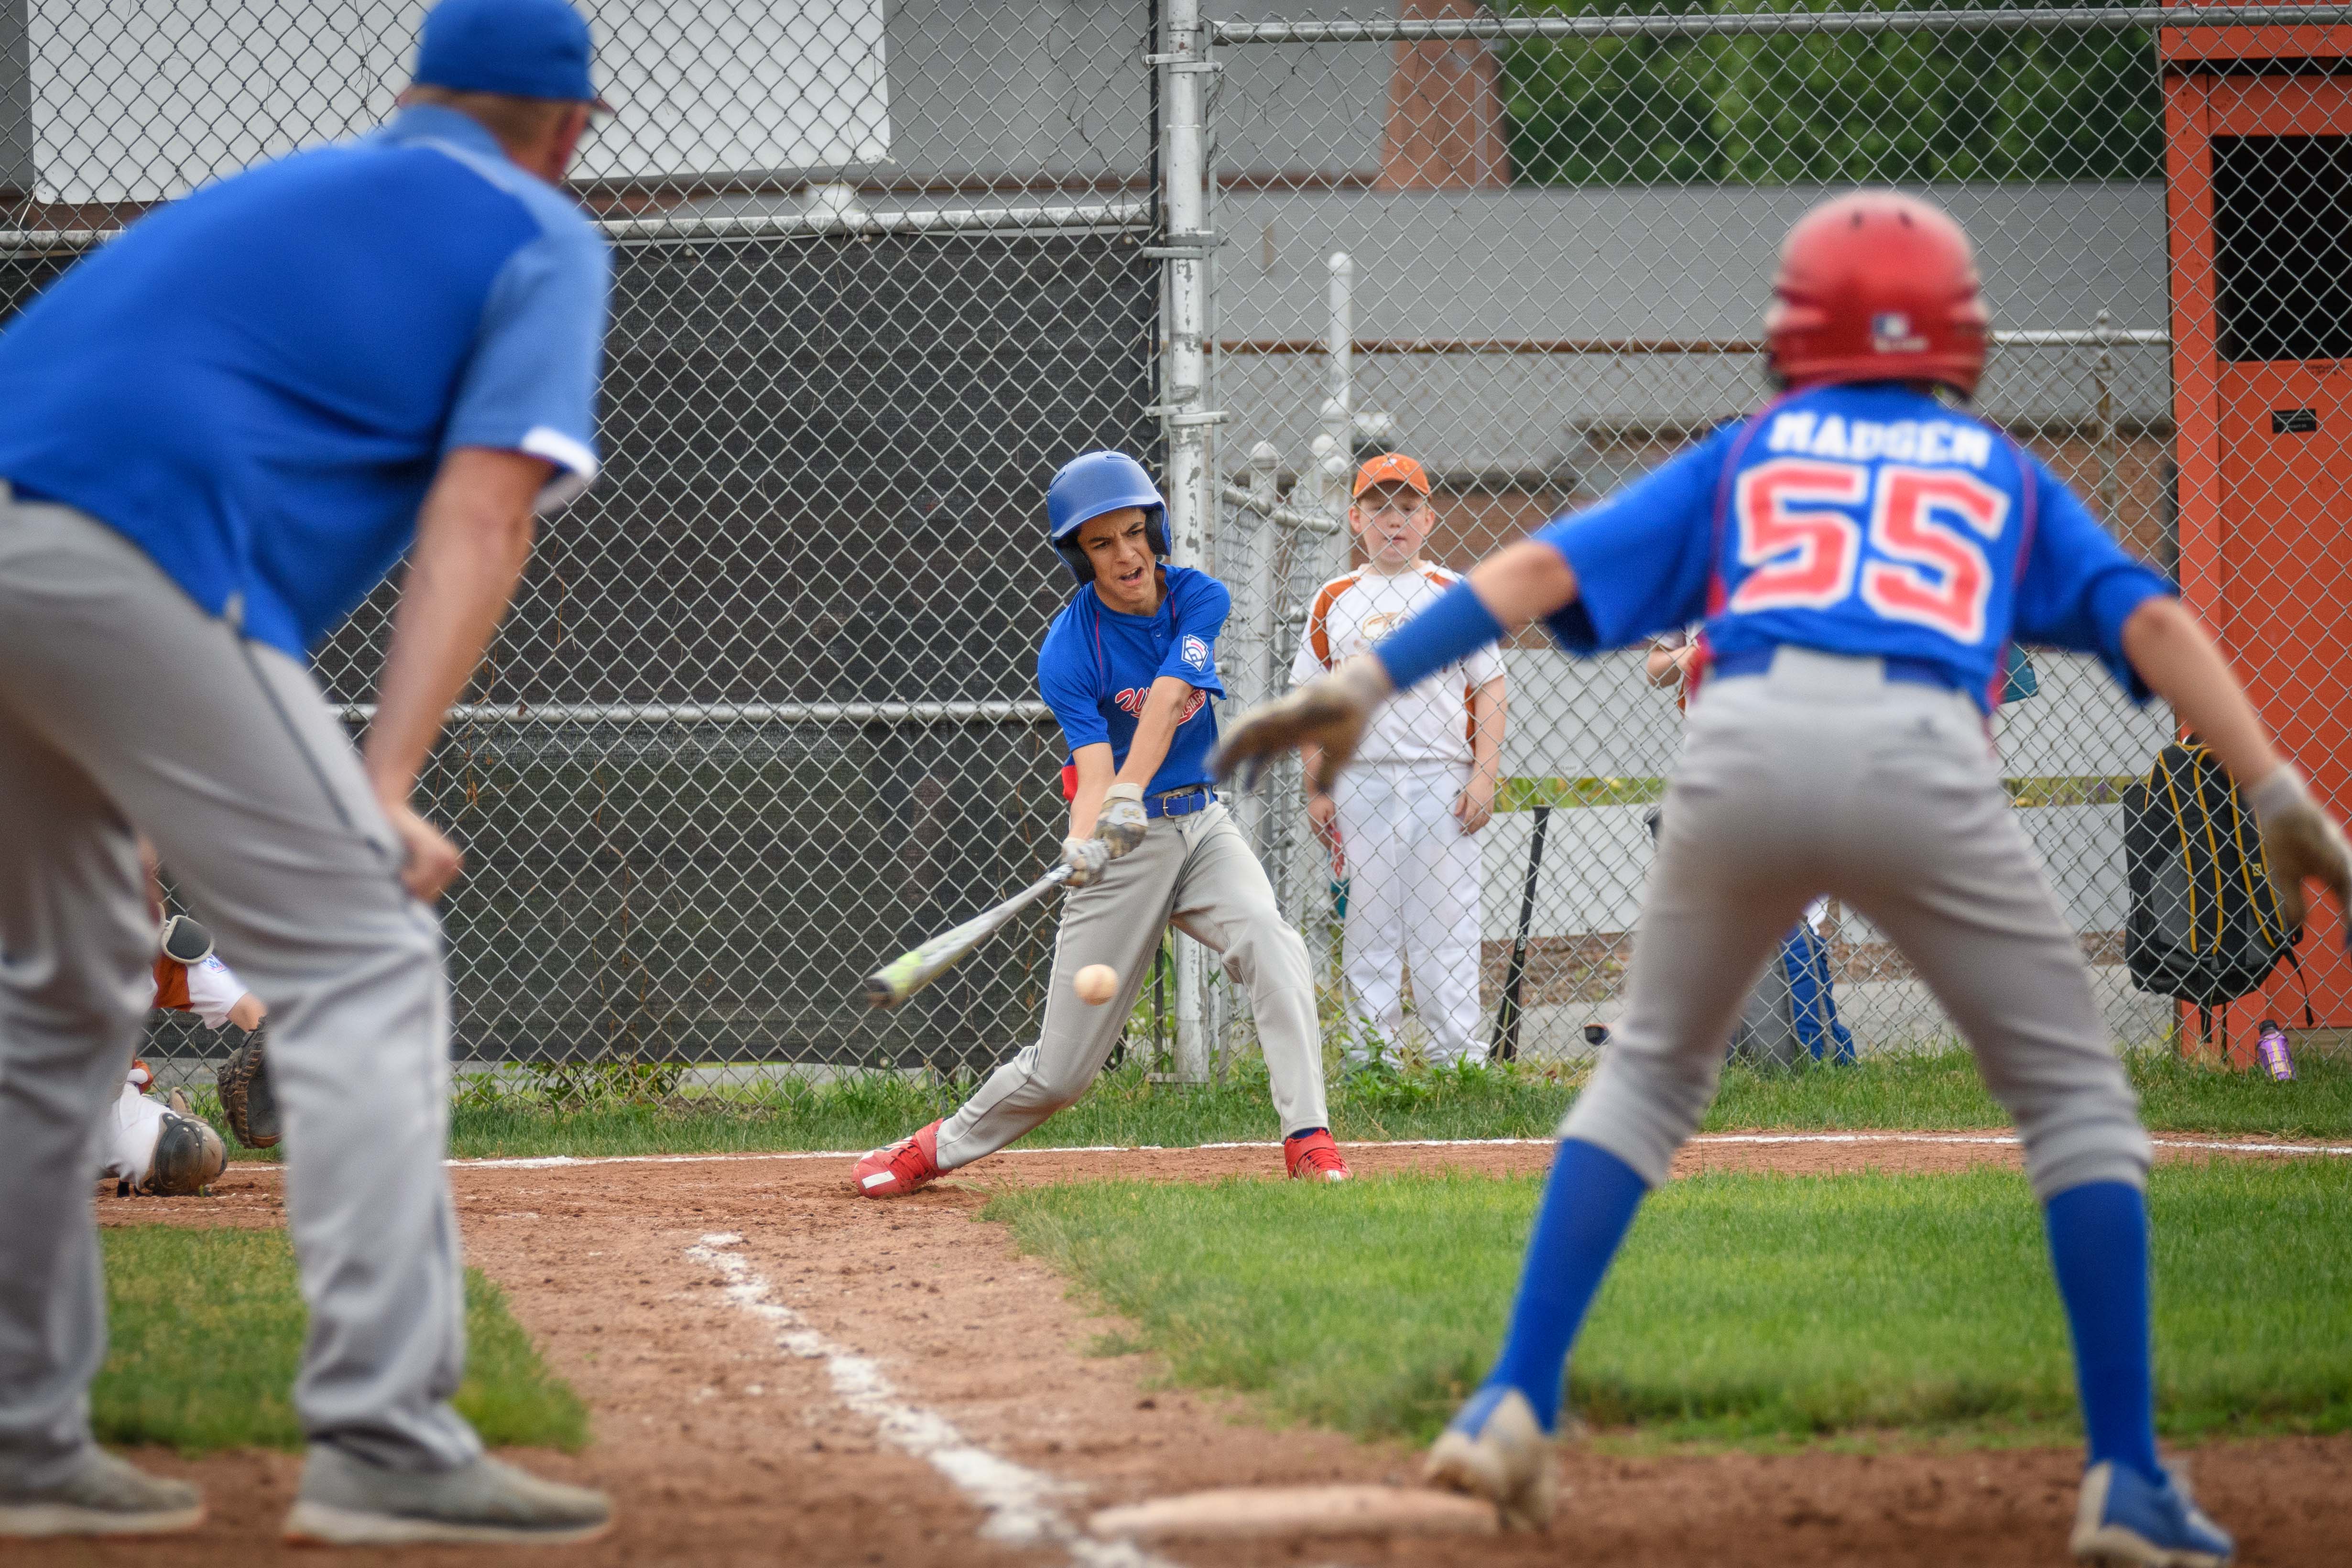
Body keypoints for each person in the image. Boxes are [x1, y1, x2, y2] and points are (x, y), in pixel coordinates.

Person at [1215, 190, 2352, 1566]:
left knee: (1644, 1085)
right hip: (1922, 755)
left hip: (1745, 748)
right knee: (2076, 1105)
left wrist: (1376, 679)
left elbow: (1533, 566)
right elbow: (2156, 621)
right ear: (1961, 339)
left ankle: (1515, 1399)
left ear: (1791, 338)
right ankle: (2125, 1475)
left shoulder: (1745, 456)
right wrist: (2278, 791)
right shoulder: (1992, 470)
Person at [0, 0, 615, 1544]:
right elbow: (484, 517)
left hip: (52, 530)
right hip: (131, 545)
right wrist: (383, 780)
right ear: (571, 132)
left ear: (416, 92)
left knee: (70, 978)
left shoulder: (280, 192)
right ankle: (387, 1439)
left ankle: (16, 1431)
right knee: (366, 948)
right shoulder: (536, 229)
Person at [853, 450, 1349, 1197]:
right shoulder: (1067, 649)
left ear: (1156, 530)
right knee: (1061, 1074)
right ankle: (933, 1147)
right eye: (1102, 543)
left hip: (1201, 826)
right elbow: (1091, 775)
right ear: (1080, 558)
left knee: (1272, 943)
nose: (1125, 556)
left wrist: (1130, 787)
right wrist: (1087, 836)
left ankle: (1308, 1139)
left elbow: (1167, 697)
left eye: (1133, 533)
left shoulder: (1198, 598)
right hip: (1125, 848)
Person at [1293, 453, 1506, 1068]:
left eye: (1408, 509)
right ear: (1355, 520)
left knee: (1448, 925)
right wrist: (1317, 786)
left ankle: (1457, 1060)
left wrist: (1483, 775)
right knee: (1368, 926)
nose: (1395, 522)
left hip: (1441, 776)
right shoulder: (1336, 598)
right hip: (1360, 780)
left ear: (1430, 518)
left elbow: (1489, 684)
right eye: (1379, 509)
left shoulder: (1454, 593)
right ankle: (1372, 1061)